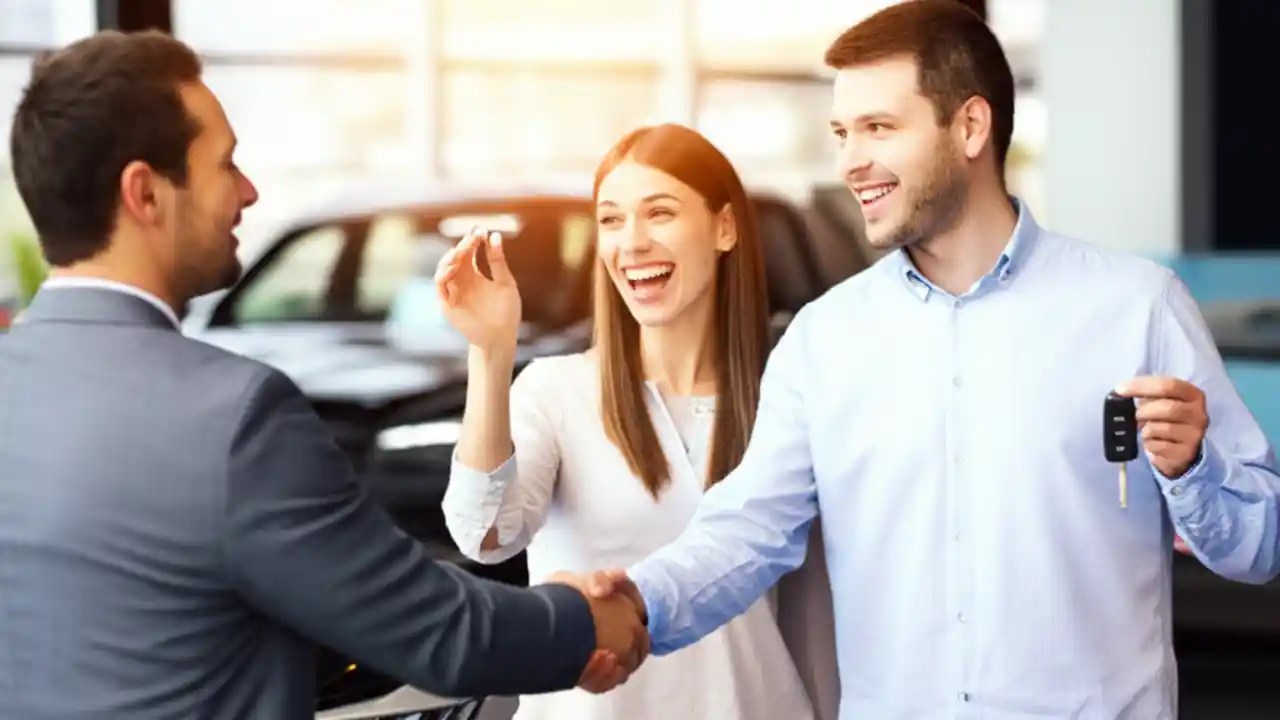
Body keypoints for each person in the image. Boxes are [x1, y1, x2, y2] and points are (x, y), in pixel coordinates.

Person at [579, 2, 1280, 718]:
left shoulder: (1138, 309)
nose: (851, 161)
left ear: (970, 127)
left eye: (879, 127)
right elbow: (745, 532)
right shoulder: (825, 340)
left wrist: (1194, 468)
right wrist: (635, 604)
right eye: (842, 133)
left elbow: (1258, 548)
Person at [0, 30, 647, 720]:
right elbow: (441, 632)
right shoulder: (233, 415)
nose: (248, 192)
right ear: (145, 194)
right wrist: (585, 620)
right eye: (226, 165)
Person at [436, 123, 827, 720]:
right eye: (612, 220)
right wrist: (490, 354)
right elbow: (484, 535)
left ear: (724, 228)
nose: (633, 242)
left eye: (660, 213)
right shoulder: (557, 390)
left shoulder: (789, 400)